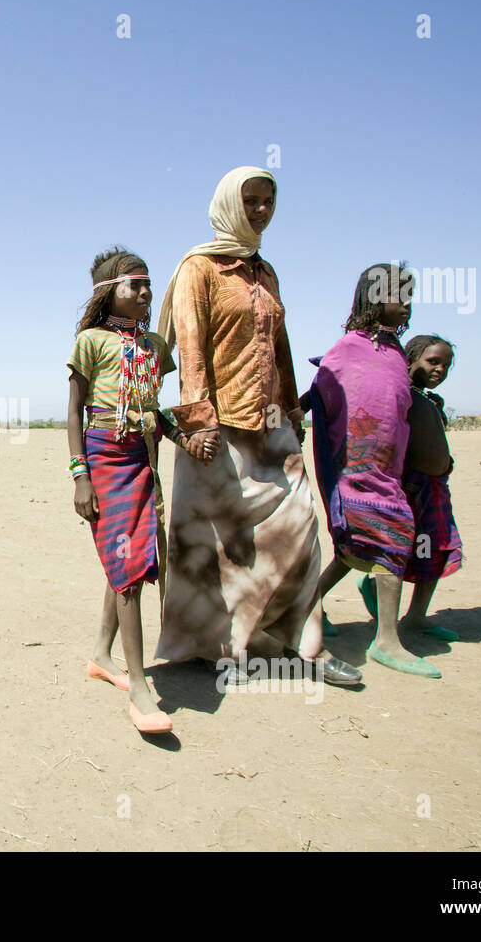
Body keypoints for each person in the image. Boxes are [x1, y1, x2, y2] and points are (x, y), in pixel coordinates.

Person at [154, 166, 361, 687]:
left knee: (301, 525)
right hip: (217, 432)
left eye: (269, 201)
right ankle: (214, 646)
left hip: (271, 426)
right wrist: (197, 423)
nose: (262, 210)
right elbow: (193, 346)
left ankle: (304, 646)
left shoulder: (266, 274)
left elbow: (282, 349)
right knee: (213, 543)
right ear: (228, 203)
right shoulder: (199, 268)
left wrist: (292, 411)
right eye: (251, 200)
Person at [68, 246, 182, 733]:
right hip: (105, 457)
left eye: (147, 284)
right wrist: (79, 475)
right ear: (106, 292)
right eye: (133, 284)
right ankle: (139, 686)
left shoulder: (156, 346)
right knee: (128, 569)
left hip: (145, 459)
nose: (143, 292)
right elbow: (74, 411)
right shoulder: (90, 341)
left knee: (126, 560)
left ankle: (100, 656)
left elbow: (158, 405)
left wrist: (186, 435)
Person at [310, 264, 441, 677]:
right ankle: (386, 639)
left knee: (353, 552)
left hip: (390, 470)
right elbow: (320, 393)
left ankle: (307, 606)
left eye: (409, 296)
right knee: (389, 537)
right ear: (372, 297)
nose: (406, 304)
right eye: (397, 295)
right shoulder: (347, 348)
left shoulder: (399, 355)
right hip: (355, 469)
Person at [353, 334, 462, 640]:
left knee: (437, 548)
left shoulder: (429, 400)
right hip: (409, 488)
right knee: (395, 548)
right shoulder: (400, 394)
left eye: (446, 365)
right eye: (432, 361)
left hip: (436, 488)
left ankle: (416, 616)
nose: (440, 369)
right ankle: (370, 588)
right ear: (410, 359)